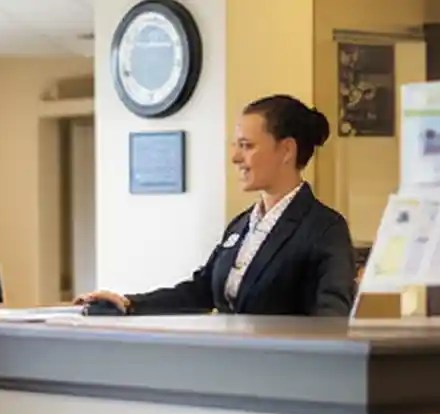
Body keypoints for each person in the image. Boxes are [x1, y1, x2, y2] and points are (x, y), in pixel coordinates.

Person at [77, 94, 356, 316]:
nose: (235, 157)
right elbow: (201, 291)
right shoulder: (241, 225)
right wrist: (128, 303)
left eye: (247, 146)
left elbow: (331, 320)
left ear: (286, 150)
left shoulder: (324, 228)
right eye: (236, 145)